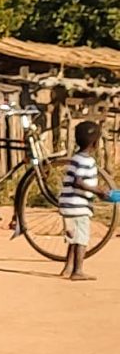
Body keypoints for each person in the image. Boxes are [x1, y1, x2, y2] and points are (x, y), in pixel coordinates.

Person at [59, 120, 103, 282]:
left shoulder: (75, 158)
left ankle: (67, 268)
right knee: (82, 239)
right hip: (78, 206)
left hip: (68, 205)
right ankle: (78, 270)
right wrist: (98, 191)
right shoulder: (87, 161)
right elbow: (79, 182)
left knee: (74, 238)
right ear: (95, 143)